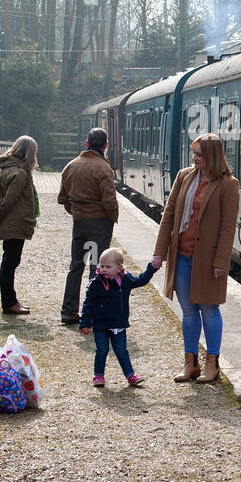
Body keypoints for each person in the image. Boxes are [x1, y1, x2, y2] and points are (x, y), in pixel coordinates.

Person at [151, 133, 240, 384]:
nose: (194, 158)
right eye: (194, 153)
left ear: (212, 156)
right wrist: (160, 251)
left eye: (199, 154)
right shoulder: (184, 176)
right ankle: (190, 363)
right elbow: (169, 215)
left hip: (208, 260)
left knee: (209, 309)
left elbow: (228, 227)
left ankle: (213, 364)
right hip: (181, 256)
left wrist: (221, 261)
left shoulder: (228, 185)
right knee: (188, 311)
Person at [57, 128, 120, 325]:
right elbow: (109, 200)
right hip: (99, 224)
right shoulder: (103, 168)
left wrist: (77, 212)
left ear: (86, 144)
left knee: (76, 266)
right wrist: (112, 218)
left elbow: (63, 198)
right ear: (105, 145)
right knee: (97, 268)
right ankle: (93, 312)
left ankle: (68, 311)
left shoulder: (70, 166)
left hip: (79, 223)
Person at [79, 247, 159, 387]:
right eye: (102, 266)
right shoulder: (96, 283)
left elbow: (141, 280)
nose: (104, 269)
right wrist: (85, 322)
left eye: (108, 267)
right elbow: (88, 304)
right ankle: (98, 375)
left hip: (119, 323)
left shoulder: (126, 279)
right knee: (101, 350)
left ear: (119, 267)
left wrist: (151, 269)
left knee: (122, 350)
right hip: (101, 325)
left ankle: (130, 375)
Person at [0, 135, 39, 315]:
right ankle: (9, 302)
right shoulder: (20, 173)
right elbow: (9, 199)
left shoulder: (6, 168)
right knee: (11, 262)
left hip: (10, 221)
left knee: (8, 261)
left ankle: (10, 301)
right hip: (15, 222)